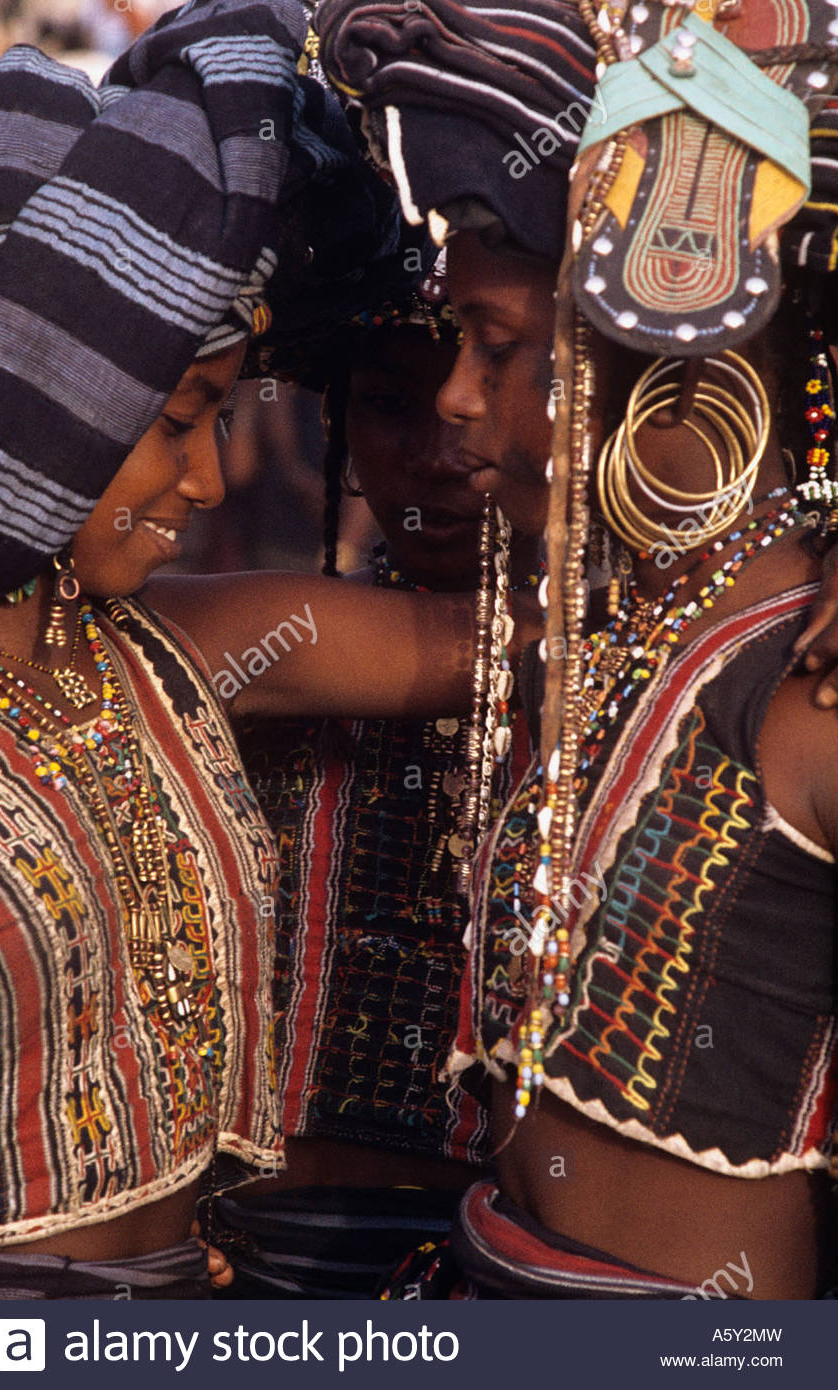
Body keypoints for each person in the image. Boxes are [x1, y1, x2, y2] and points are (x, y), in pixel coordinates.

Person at [0, 1, 543, 1297]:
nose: (210, 482)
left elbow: (520, 640)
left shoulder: (167, 653)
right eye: (178, 421)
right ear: (49, 406)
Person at [320, 0, 838, 1299]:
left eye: (497, 351)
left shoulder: (806, 675)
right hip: (484, 1271)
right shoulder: (592, 625)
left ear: (663, 360)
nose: (450, 398)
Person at [216, 276, 542, 1297]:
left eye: (486, 382)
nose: (440, 450)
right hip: (235, 1269)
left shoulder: (664, 679)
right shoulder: (260, 641)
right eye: (388, 402)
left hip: (509, 1277)